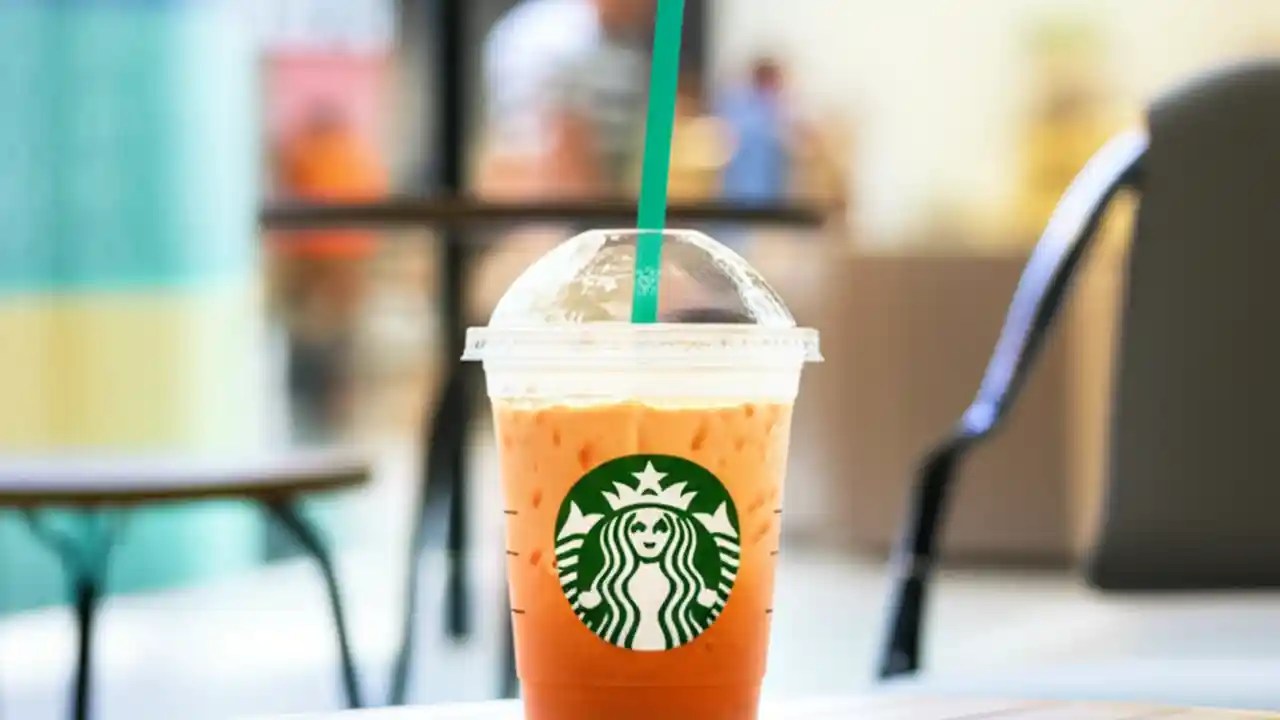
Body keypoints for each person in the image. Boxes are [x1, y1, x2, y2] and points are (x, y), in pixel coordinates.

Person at [271, 102, 388, 437]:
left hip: (315, 256)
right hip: (347, 255)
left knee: (313, 332)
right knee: (338, 333)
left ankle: (313, 399)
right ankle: (334, 399)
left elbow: (289, 190)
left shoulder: (306, 152)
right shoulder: (358, 153)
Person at [478, 0, 655, 199]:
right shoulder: (554, 35)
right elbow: (563, 162)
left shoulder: (624, 37)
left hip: (598, 204)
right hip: (547, 209)